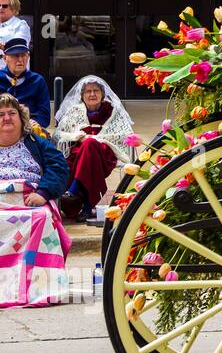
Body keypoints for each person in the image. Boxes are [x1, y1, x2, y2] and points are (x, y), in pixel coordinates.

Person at [0, 94, 71, 308]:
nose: (7, 118)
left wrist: (44, 192)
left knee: (43, 218)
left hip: (29, 201)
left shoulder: (36, 144)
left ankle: (39, 287)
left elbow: (58, 167)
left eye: (12, 113)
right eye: (1, 114)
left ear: (21, 119)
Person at [52, 76, 134, 221]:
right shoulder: (74, 111)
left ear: (102, 94)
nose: (92, 94)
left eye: (96, 91)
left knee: (90, 144)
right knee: (88, 151)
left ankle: (74, 190)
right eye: (88, 91)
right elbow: (58, 134)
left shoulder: (112, 110)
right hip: (78, 156)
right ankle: (88, 207)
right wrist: (75, 136)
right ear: (82, 95)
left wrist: (93, 139)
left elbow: (125, 134)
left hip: (105, 155)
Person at [0, 38, 51, 129]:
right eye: (15, 56)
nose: (20, 60)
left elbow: (44, 115)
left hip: (30, 129)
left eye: (23, 55)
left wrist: (34, 123)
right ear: (5, 58)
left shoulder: (37, 81)